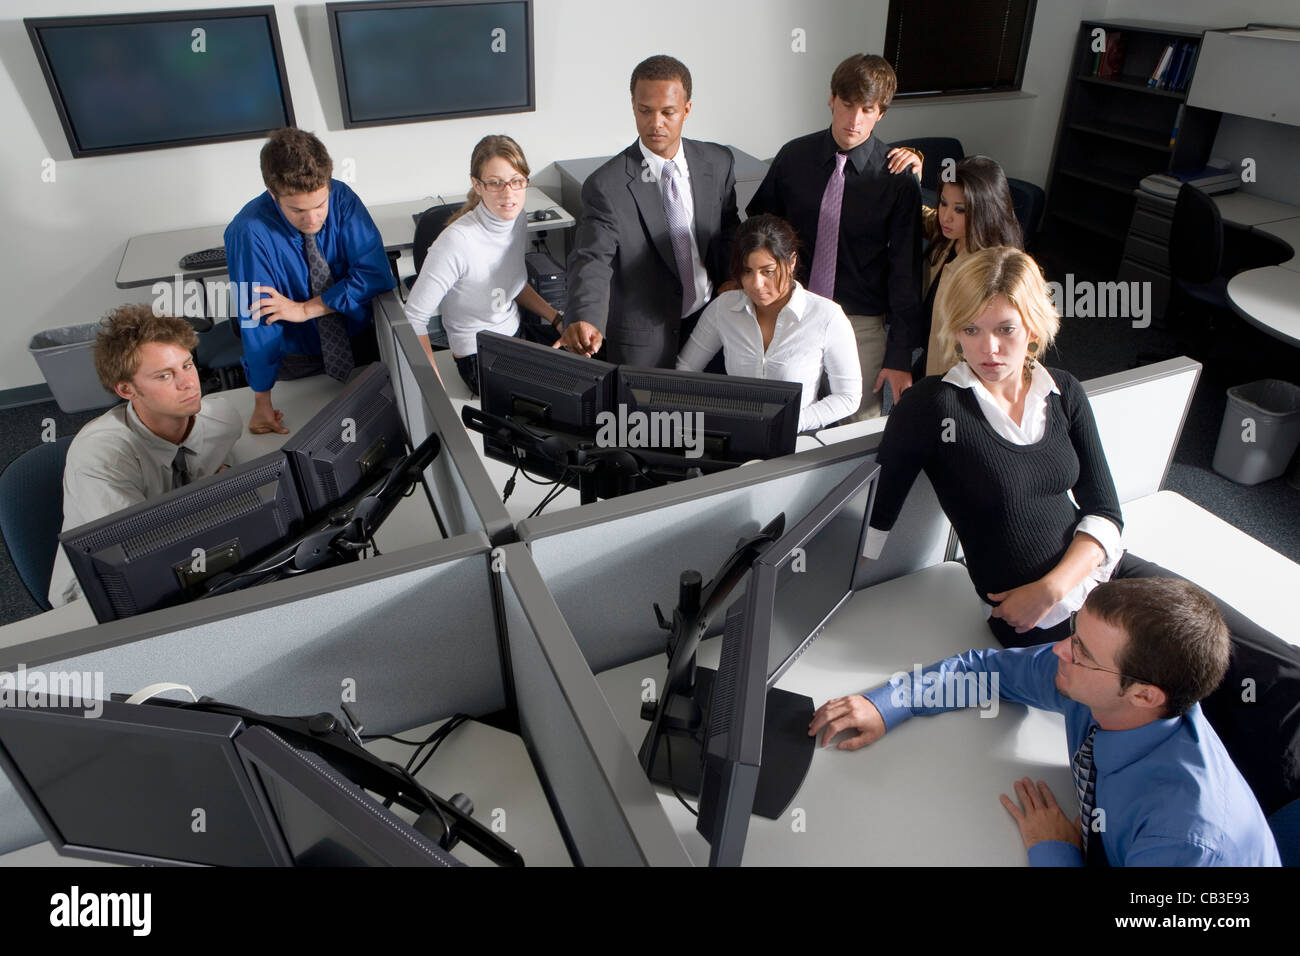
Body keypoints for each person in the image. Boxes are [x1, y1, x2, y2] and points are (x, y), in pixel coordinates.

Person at [865, 245, 1300, 820]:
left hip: (1102, 572)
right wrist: (857, 578)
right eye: (970, 329)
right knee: (1187, 689)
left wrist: (1054, 582)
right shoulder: (932, 406)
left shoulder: (1062, 389)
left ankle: (1280, 804)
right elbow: (881, 507)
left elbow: (1106, 510)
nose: (987, 349)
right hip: (1042, 621)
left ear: (1034, 327)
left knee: (1274, 663)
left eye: (1005, 329)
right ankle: (1267, 812)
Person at [809, 577, 1281, 866]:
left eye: (1081, 651)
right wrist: (890, 703)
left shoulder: (1188, 840)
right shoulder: (1094, 685)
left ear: (1144, 695)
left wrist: (1056, 851)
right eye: (1075, 634)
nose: (1059, 649)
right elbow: (985, 670)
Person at [746, 53, 923, 421]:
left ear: (882, 113)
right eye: (847, 105)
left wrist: (900, 354)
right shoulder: (794, 158)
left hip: (860, 320)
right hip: (793, 310)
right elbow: (759, 233)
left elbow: (906, 271)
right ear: (831, 99)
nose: (854, 121)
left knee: (857, 426)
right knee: (783, 418)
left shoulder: (897, 178)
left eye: (868, 110)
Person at [48, 306, 243, 608]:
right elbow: (137, 549)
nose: (188, 383)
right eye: (165, 376)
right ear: (127, 389)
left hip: (193, 559)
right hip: (99, 592)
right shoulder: (100, 457)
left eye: (188, 365)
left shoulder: (223, 420)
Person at [559, 55, 739, 368]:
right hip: (646, 340)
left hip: (713, 322)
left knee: (713, 415)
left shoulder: (719, 162)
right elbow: (592, 259)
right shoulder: (606, 185)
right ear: (633, 106)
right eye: (645, 111)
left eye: (668, 112)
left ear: (687, 110)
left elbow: (729, 231)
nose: (655, 123)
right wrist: (585, 318)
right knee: (653, 418)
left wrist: (736, 279)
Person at [225, 127, 395, 435]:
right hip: (297, 360)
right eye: (298, 210)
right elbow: (259, 322)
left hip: (359, 342)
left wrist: (307, 309)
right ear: (272, 192)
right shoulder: (248, 232)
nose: (313, 219)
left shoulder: (341, 196)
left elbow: (375, 274)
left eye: (319, 205)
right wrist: (262, 400)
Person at [405, 135, 561, 396]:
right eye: (495, 183)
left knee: (589, 356)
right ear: (477, 185)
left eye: (516, 181)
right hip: (478, 356)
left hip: (516, 335)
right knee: (563, 394)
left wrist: (556, 318)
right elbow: (414, 319)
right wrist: (435, 394)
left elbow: (514, 282)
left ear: (525, 182)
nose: (508, 193)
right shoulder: (456, 242)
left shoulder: (517, 219)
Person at [676, 214, 861, 432]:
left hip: (798, 436)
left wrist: (793, 423)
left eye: (768, 271)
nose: (756, 284)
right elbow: (685, 370)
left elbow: (848, 396)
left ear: (791, 262)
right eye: (747, 271)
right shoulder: (723, 308)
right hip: (736, 434)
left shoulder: (827, 316)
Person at [915, 155, 1022, 380]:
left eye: (960, 210)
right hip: (929, 357)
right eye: (943, 203)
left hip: (960, 373)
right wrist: (913, 169)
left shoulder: (996, 271)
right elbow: (924, 216)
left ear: (985, 210)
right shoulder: (949, 235)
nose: (946, 216)